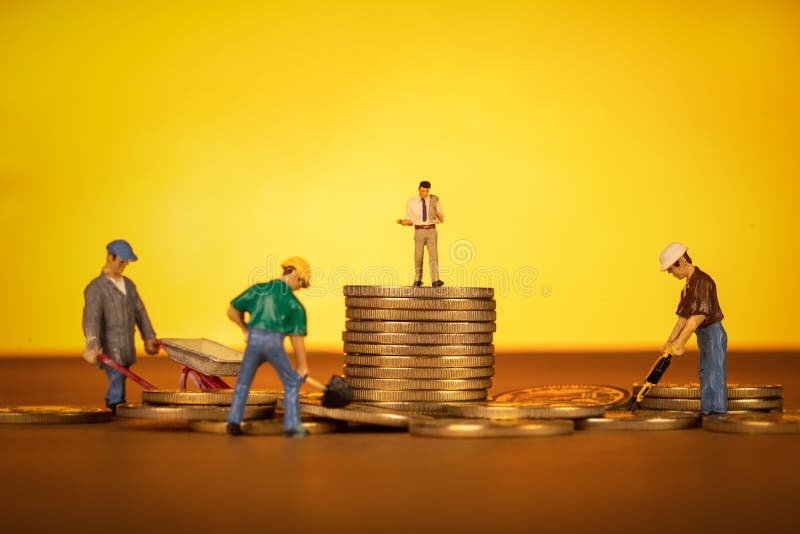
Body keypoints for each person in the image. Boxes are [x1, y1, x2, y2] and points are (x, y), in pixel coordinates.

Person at [226, 257, 311, 437]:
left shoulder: (258, 289)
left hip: (254, 341)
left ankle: (233, 422)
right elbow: (296, 339)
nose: (299, 288)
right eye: (301, 283)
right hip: (274, 343)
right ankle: (292, 426)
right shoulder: (295, 305)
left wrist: (245, 329)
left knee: (243, 382)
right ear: (295, 275)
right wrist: (302, 367)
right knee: (291, 382)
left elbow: (232, 311)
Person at [82, 240, 159, 414]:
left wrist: (149, 337)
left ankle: (115, 402)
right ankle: (115, 403)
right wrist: (92, 344)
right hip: (110, 347)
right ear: (110, 257)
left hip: (126, 345)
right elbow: (91, 319)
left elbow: (140, 312)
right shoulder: (96, 288)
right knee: (116, 376)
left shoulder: (129, 286)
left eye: (126, 262)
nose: (124, 266)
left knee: (121, 374)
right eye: (121, 261)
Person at [659, 242, 727, 416]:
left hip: (713, 333)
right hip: (702, 334)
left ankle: (718, 412)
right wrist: (670, 341)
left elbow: (696, 318)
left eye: (671, 269)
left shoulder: (702, 282)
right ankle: (708, 410)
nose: (671, 274)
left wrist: (681, 342)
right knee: (705, 372)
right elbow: (683, 318)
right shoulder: (687, 288)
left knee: (715, 373)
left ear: (681, 261)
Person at [396, 180, 445, 287]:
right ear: (419, 189)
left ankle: (435, 280)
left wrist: (435, 209)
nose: (425, 193)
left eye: (427, 191)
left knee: (434, 256)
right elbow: (410, 221)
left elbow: (442, 219)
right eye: (423, 191)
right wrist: (403, 222)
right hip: (419, 231)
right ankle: (418, 279)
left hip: (431, 230)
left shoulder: (434, 200)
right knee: (418, 256)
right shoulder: (411, 202)